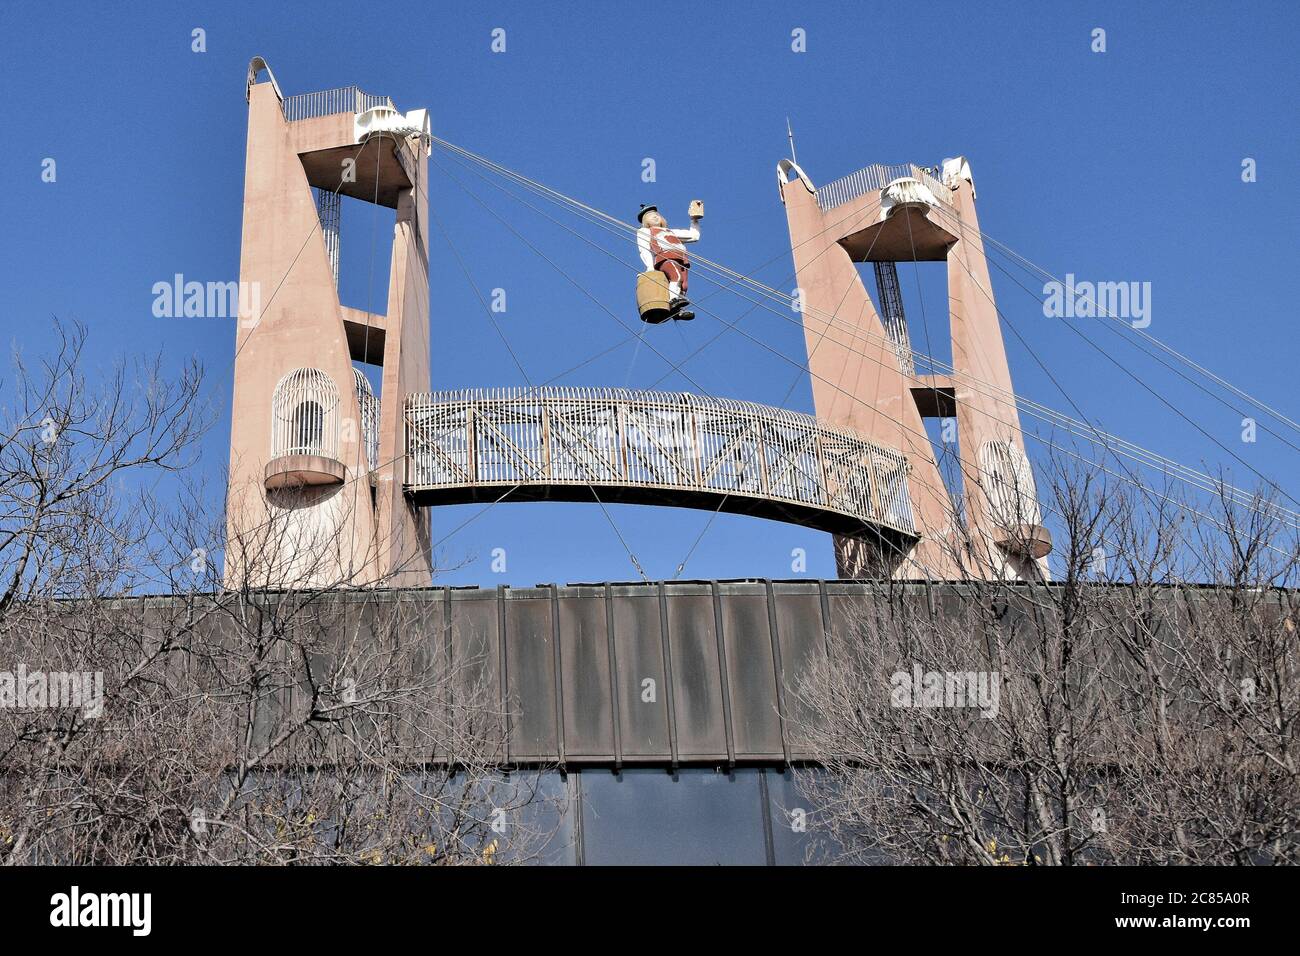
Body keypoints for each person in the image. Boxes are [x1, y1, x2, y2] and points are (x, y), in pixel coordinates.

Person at [637, 204, 701, 321]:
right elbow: (644, 249)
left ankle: (676, 312)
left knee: (683, 286)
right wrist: (650, 267)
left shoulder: (671, 231)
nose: (655, 217)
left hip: (681, 260)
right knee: (675, 277)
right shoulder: (646, 231)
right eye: (651, 217)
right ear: (646, 221)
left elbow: (693, 236)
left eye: (657, 215)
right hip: (664, 257)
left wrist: (694, 219)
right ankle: (673, 301)